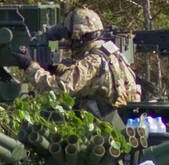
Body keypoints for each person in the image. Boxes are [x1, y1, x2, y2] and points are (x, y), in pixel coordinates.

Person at [13, 7, 142, 116]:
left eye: (68, 36)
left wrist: (29, 66)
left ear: (78, 36)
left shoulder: (92, 61)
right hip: (120, 119)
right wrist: (58, 69)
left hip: (100, 125)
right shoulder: (112, 53)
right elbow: (92, 82)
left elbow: (58, 90)